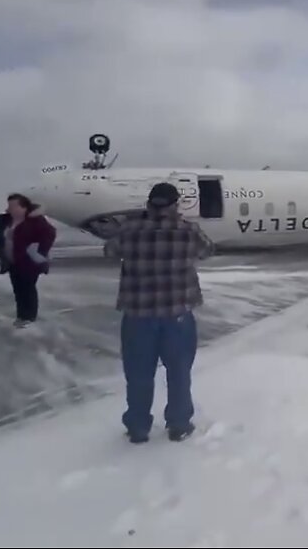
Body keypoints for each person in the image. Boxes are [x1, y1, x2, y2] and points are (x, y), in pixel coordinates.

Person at [104, 183, 214, 443]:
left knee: (139, 374)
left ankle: (138, 427)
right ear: (175, 204)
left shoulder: (129, 230)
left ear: (149, 203)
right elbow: (208, 250)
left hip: (137, 316)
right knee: (178, 372)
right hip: (177, 315)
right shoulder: (188, 230)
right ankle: (178, 425)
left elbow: (109, 251)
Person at [1, 193, 56, 328]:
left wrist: (38, 251)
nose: (10, 209)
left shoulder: (35, 220)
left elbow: (50, 233)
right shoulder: (8, 220)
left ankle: (29, 316)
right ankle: (21, 315)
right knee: (18, 289)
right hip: (13, 262)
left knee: (27, 288)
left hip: (29, 262)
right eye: (9, 205)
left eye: (13, 206)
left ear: (24, 207)